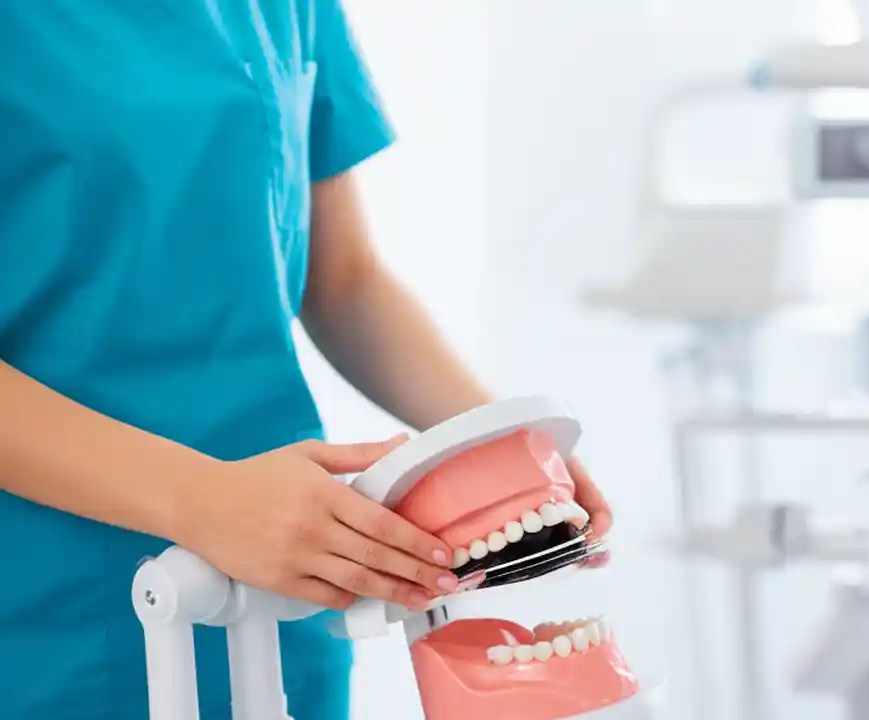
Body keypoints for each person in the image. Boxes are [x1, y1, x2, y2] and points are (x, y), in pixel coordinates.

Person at [0, 2, 613, 718]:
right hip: (47, 613)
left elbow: (343, 280)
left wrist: (495, 439)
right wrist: (197, 499)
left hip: (284, 583)